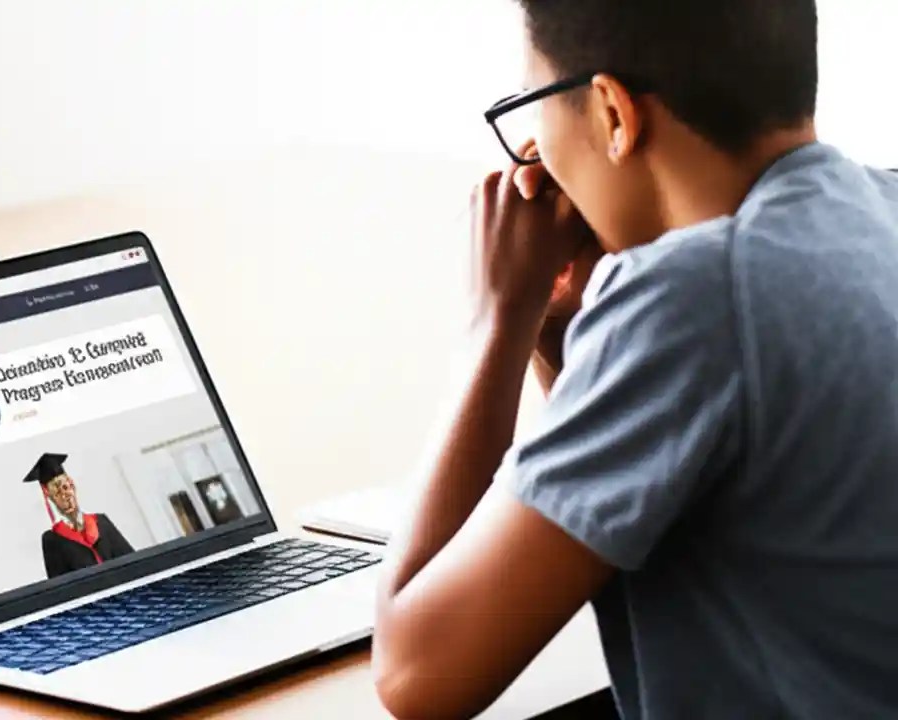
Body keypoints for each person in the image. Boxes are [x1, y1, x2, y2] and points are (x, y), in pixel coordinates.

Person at [372, 2, 898, 718]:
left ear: (613, 113)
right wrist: (561, 332)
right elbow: (647, 478)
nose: (534, 147)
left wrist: (495, 319)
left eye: (533, 109)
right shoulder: (879, 211)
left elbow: (414, 675)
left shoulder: (697, 294)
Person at [21, 452, 135, 578]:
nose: (65, 496)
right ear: (50, 498)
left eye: (66, 487)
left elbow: (132, 561)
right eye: (57, 492)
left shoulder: (101, 522)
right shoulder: (52, 540)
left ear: (73, 486)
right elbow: (61, 586)